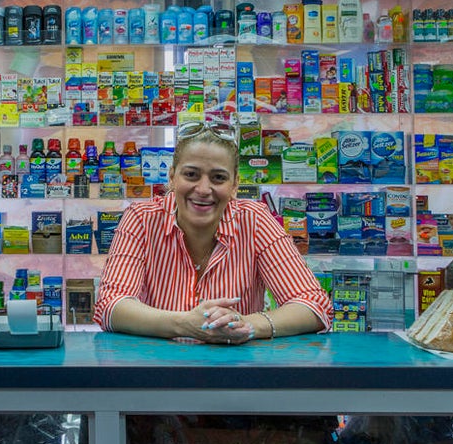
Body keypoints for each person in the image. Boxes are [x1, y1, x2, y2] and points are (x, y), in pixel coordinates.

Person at [93, 121, 332, 343]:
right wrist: (184, 324)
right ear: (172, 177)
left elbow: (314, 305)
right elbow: (111, 305)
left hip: (236, 372)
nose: (204, 189)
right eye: (191, 175)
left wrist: (245, 325)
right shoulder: (142, 218)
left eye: (218, 178)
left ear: (235, 184)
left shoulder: (255, 220)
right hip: (156, 370)